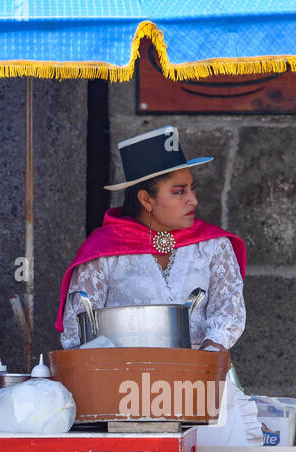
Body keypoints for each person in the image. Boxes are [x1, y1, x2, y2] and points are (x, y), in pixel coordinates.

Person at [56, 125, 245, 350]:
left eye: (192, 189)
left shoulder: (214, 246)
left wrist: (211, 349)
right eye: (179, 191)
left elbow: (228, 311)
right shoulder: (104, 250)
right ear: (146, 199)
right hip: (121, 380)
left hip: (197, 378)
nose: (193, 200)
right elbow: (78, 328)